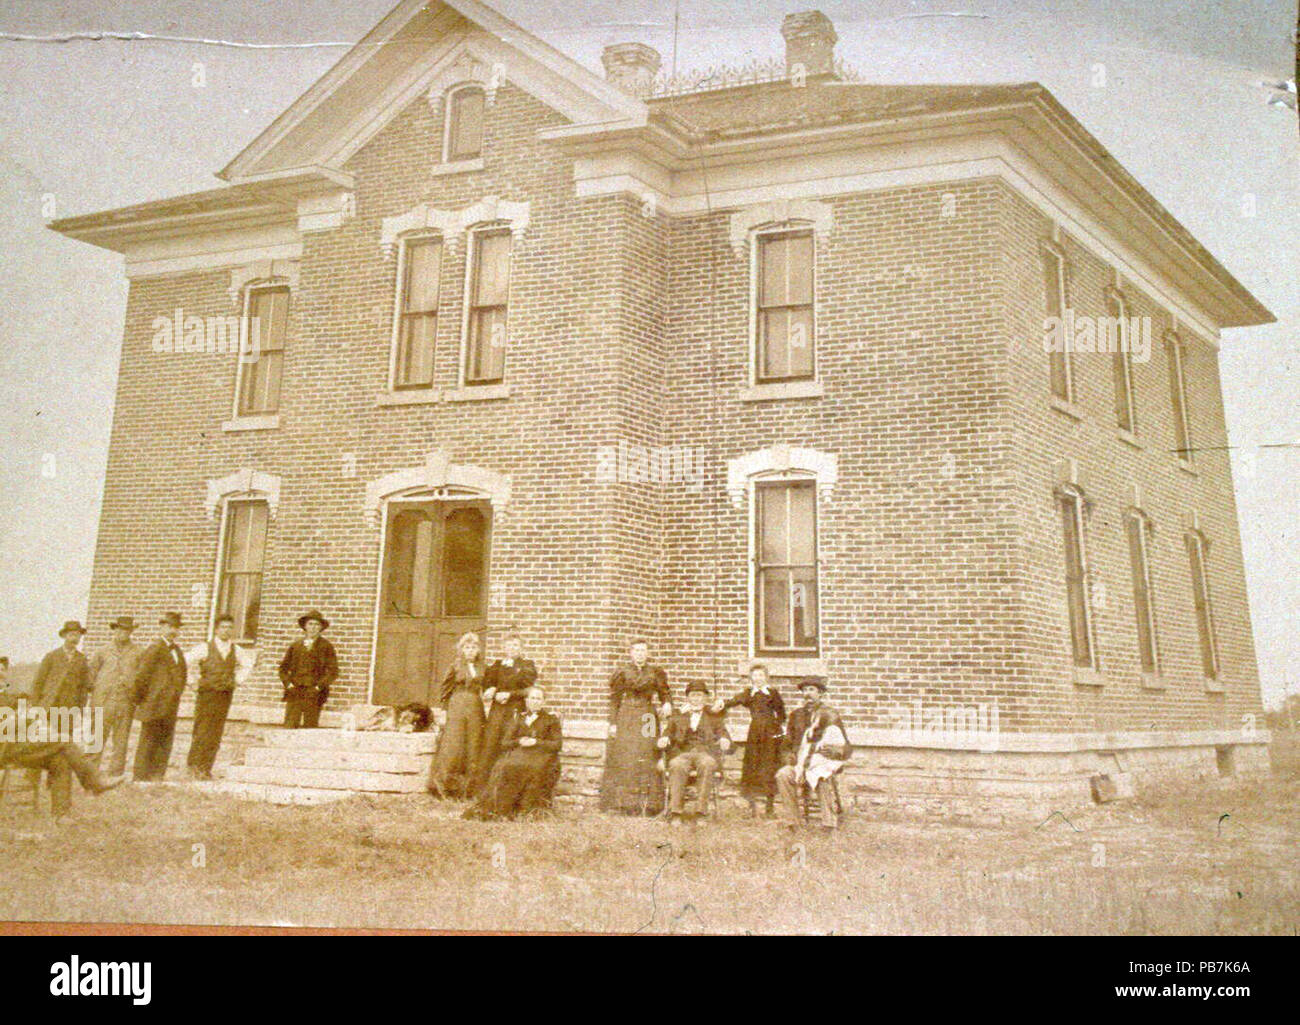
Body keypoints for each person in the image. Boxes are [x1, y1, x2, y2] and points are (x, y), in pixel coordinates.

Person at [1, 693, 124, 819]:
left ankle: (61, 814)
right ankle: (94, 781)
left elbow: (13, 702)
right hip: (5, 749)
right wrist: (21, 719)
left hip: (14, 746)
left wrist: (24, 707)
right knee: (64, 741)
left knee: (60, 758)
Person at [464, 686, 563, 820]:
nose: (535, 701)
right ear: (527, 701)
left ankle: (525, 809)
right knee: (505, 766)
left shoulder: (551, 720)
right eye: (532, 698)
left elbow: (557, 745)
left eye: (538, 699)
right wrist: (519, 741)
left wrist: (536, 742)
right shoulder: (519, 719)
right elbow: (505, 743)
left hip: (541, 756)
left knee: (531, 768)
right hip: (519, 753)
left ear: (543, 702)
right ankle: (502, 809)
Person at [598, 640, 671, 815]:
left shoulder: (656, 672)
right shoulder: (622, 672)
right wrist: (613, 723)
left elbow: (665, 693)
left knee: (649, 751)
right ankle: (622, 804)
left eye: (643, 650)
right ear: (631, 653)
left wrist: (667, 703)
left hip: (647, 715)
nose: (640, 654)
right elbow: (615, 699)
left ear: (647, 653)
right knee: (626, 755)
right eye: (637, 650)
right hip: (627, 715)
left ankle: (650, 804)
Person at [775, 678, 850, 832]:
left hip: (821, 763)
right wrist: (791, 758)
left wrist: (834, 753)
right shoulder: (796, 715)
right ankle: (793, 822)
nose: (807, 694)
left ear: (820, 693)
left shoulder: (830, 714)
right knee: (782, 775)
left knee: (822, 777)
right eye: (805, 690)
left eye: (811, 690)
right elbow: (786, 744)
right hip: (800, 764)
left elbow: (846, 746)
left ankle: (828, 824)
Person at [185, 614, 253, 779]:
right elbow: (184, 662)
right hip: (207, 694)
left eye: (229, 627)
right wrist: (192, 683)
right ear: (216, 629)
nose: (226, 630)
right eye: (223, 627)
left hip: (224, 694)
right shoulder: (204, 648)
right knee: (202, 730)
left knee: (216, 732)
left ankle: (206, 768)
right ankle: (194, 767)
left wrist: (237, 680)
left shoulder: (236, 650)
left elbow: (248, 664)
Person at [470, 633, 538, 794]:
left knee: (510, 743)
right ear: (503, 648)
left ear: (521, 648)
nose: (512, 648)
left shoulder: (527, 665)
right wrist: (491, 689)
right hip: (498, 710)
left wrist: (510, 694)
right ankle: (483, 789)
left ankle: (508, 789)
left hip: (515, 709)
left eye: (515, 645)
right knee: (491, 743)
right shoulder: (497, 665)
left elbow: (528, 688)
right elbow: (488, 681)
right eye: (509, 645)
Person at [659, 681, 732, 825]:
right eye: (693, 696)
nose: (696, 699)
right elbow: (668, 731)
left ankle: (701, 813)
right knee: (677, 765)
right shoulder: (679, 714)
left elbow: (723, 732)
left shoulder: (713, 716)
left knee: (708, 764)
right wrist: (664, 737)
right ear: (688, 698)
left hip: (704, 753)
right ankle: (676, 813)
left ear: (705, 698)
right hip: (682, 753)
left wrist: (725, 739)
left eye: (699, 696)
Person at [721, 662, 787, 817]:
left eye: (761, 675)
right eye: (755, 675)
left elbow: (782, 713)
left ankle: (769, 808)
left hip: (771, 734)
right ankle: (752, 808)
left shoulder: (772, 693)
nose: (758, 678)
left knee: (770, 765)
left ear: (766, 677)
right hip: (755, 734)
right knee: (752, 765)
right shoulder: (749, 694)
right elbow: (733, 701)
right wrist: (721, 704)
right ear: (751, 678)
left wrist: (777, 727)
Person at [427, 631, 486, 798]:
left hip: (475, 707)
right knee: (454, 746)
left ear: (478, 650)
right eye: (467, 647)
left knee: (473, 745)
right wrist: (444, 712)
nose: (470, 650)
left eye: (474, 647)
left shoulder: (482, 667)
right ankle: (444, 788)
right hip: (457, 706)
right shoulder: (455, 666)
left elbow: (488, 686)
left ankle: (469, 790)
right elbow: (445, 691)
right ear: (461, 649)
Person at [130, 613, 188, 781]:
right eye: (169, 626)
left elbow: (182, 674)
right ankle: (140, 776)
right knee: (149, 739)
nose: (173, 630)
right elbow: (141, 676)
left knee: (165, 739)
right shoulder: (155, 647)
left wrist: (177, 693)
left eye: (176, 627)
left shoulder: (177, 650)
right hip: (154, 702)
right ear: (161, 627)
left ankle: (157, 775)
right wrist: (141, 700)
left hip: (170, 703)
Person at [88, 615, 143, 775]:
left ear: (131, 632)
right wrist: (97, 693)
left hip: (125, 702)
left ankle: (115, 775)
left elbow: (142, 677)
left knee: (121, 742)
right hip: (103, 702)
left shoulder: (138, 652)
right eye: (120, 629)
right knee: (96, 738)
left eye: (127, 630)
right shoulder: (102, 651)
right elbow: (91, 674)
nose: (123, 633)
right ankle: (90, 775)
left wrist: (134, 692)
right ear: (115, 630)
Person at [278, 610, 338, 729]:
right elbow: (283, 669)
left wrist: (318, 687)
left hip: (314, 692)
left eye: (316, 625)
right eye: (310, 624)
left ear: (321, 627)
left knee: (310, 727)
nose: (313, 628)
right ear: (305, 626)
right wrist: (289, 684)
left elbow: (333, 671)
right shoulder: (295, 646)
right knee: (290, 726)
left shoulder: (326, 646)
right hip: (295, 691)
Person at [31, 621, 92, 714]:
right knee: (47, 728)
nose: (74, 639)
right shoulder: (51, 656)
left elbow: (83, 687)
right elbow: (39, 682)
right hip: (50, 704)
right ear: (64, 636)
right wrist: (35, 705)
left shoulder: (82, 659)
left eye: (77, 636)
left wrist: (80, 708)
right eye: (71, 635)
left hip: (70, 707)